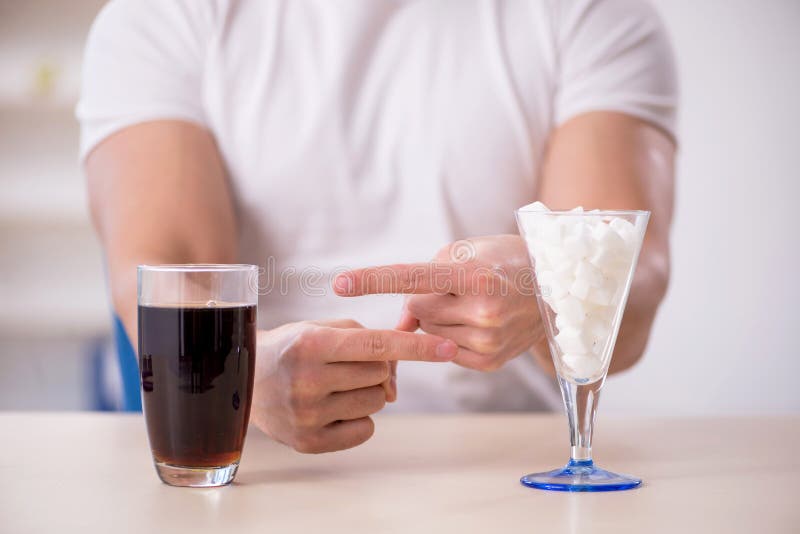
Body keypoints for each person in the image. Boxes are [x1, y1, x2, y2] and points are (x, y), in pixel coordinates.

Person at [78, 0, 676, 453]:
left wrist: (545, 285)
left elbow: (628, 267)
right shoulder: (159, 19)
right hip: (254, 461)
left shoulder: (593, 15)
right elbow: (163, 277)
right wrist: (245, 374)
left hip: (507, 464)